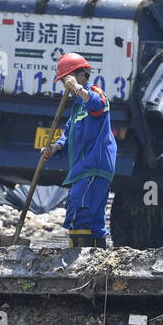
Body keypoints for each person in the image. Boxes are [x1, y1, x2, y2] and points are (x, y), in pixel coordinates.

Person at [40, 53, 116, 247]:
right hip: (83, 168)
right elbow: (67, 136)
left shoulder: (96, 94)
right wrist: (55, 147)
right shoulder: (76, 109)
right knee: (94, 220)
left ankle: (77, 262)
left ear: (82, 74)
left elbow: (97, 106)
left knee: (78, 209)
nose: (66, 86)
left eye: (68, 78)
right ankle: (97, 264)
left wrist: (76, 87)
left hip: (93, 165)